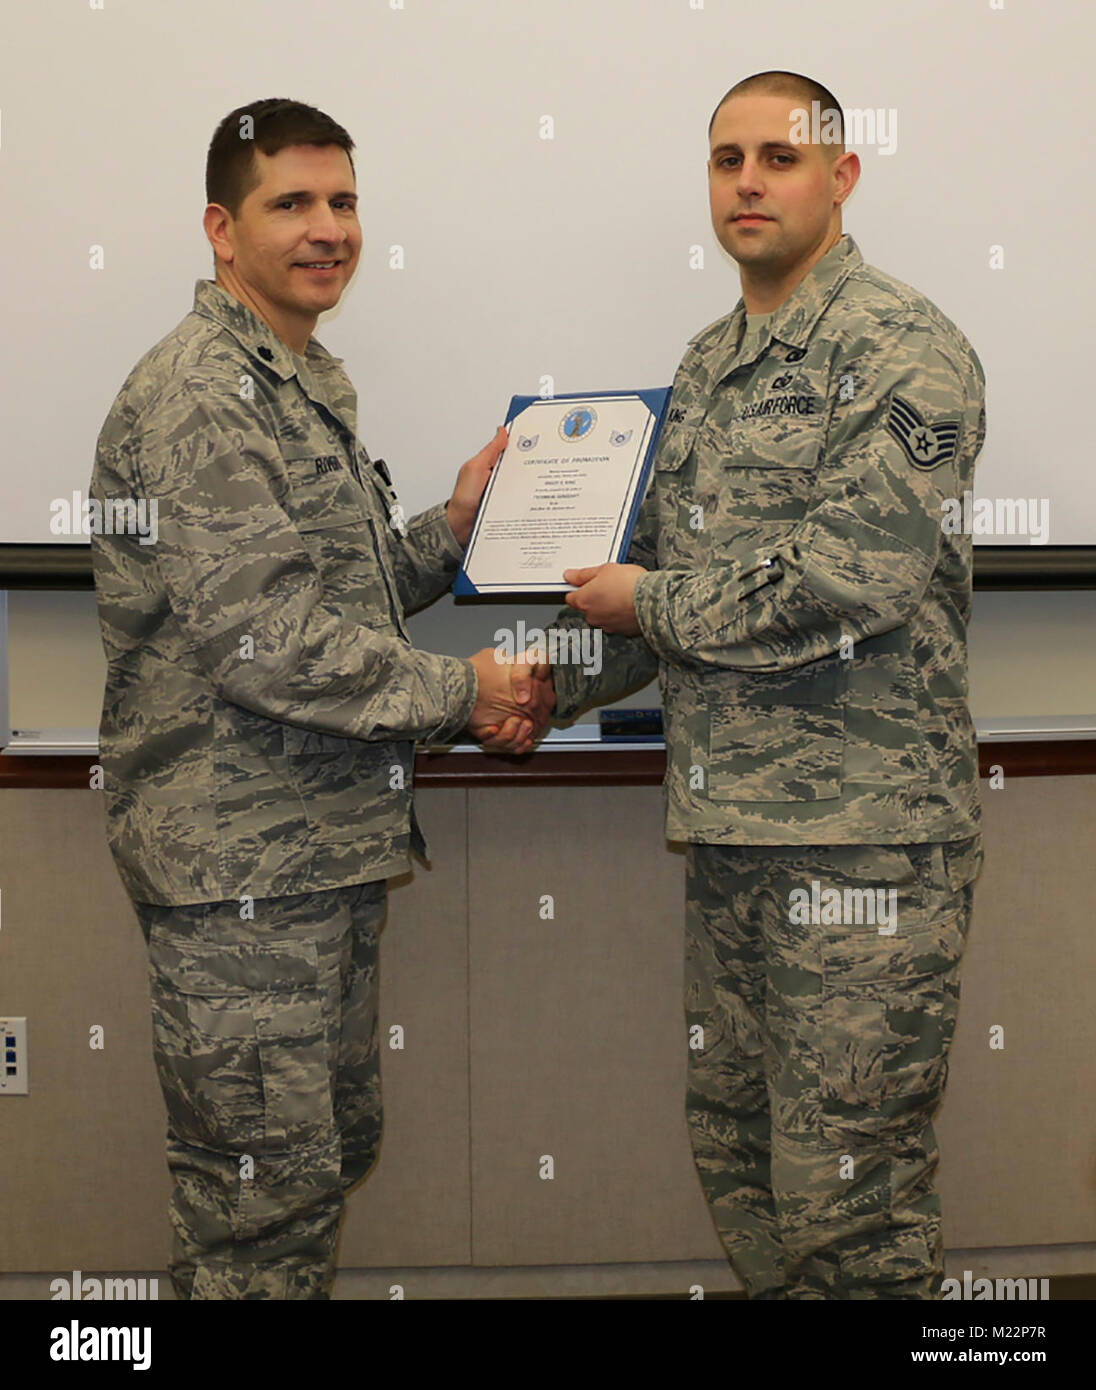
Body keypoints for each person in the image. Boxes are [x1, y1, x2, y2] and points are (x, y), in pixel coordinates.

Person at [88, 97, 553, 1300]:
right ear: (219, 229)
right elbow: (268, 643)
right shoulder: (203, 396)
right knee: (256, 1213)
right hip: (243, 878)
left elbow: (329, 600)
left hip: (308, 860)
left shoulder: (292, 380)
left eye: (342, 200)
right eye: (290, 202)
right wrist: (467, 688)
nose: (327, 228)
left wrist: (448, 533)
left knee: (304, 1177)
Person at [545, 71, 985, 1299]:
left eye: (779, 159)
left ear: (840, 177)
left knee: (854, 1198)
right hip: (733, 844)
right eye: (726, 159)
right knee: (740, 1163)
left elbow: (854, 576)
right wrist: (537, 680)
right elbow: (657, 595)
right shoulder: (706, 363)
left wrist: (647, 603)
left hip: (864, 854)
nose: (747, 181)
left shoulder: (904, 348)